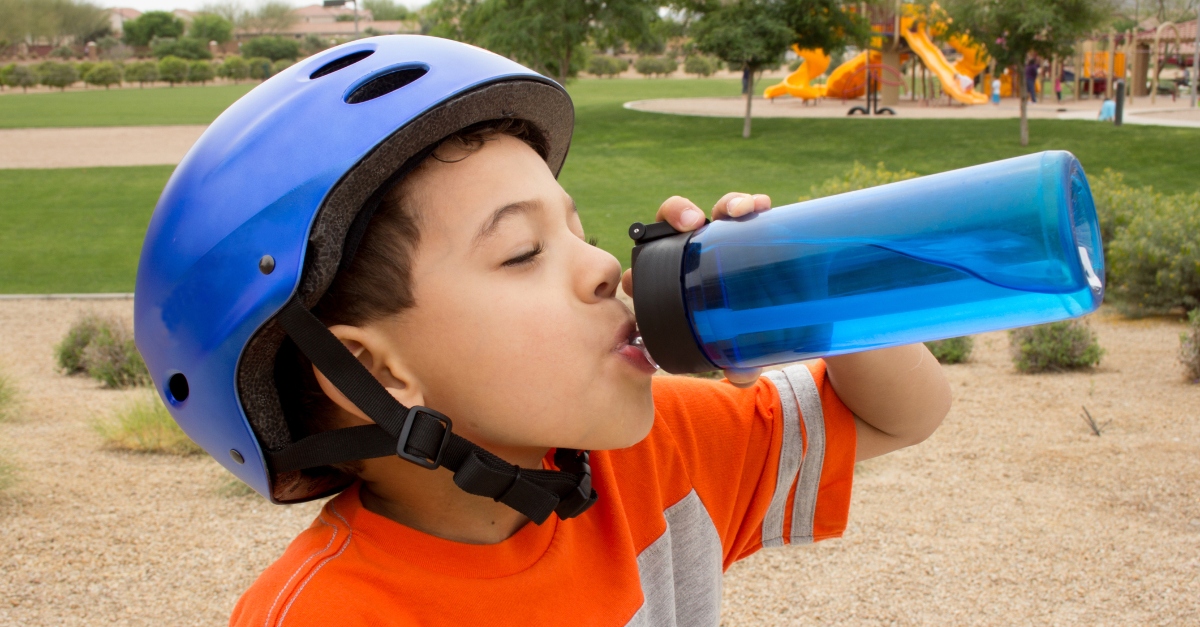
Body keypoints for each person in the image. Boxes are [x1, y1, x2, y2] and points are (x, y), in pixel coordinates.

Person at [134, 36, 951, 626]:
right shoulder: (330, 615)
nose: (601, 265)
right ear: (376, 371)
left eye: (578, 227)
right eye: (522, 251)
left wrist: (812, 286)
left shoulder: (655, 456)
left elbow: (894, 415)